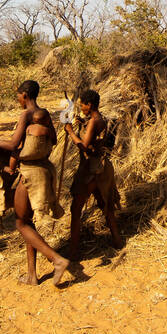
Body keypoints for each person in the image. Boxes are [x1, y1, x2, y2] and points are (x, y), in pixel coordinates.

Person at [0, 80, 70, 285]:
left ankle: (57, 260)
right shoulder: (44, 114)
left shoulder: (26, 115)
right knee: (28, 222)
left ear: (25, 95)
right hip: (45, 169)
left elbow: (11, 144)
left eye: (18, 96)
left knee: (20, 223)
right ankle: (32, 275)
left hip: (29, 173)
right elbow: (53, 140)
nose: (17, 99)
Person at [64, 88, 124, 260]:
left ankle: (73, 252)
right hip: (102, 168)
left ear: (89, 105)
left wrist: (70, 131)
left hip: (91, 169)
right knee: (107, 207)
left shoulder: (93, 122)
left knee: (76, 210)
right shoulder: (99, 118)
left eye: (82, 105)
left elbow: (83, 145)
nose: (81, 107)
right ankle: (117, 241)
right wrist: (81, 122)